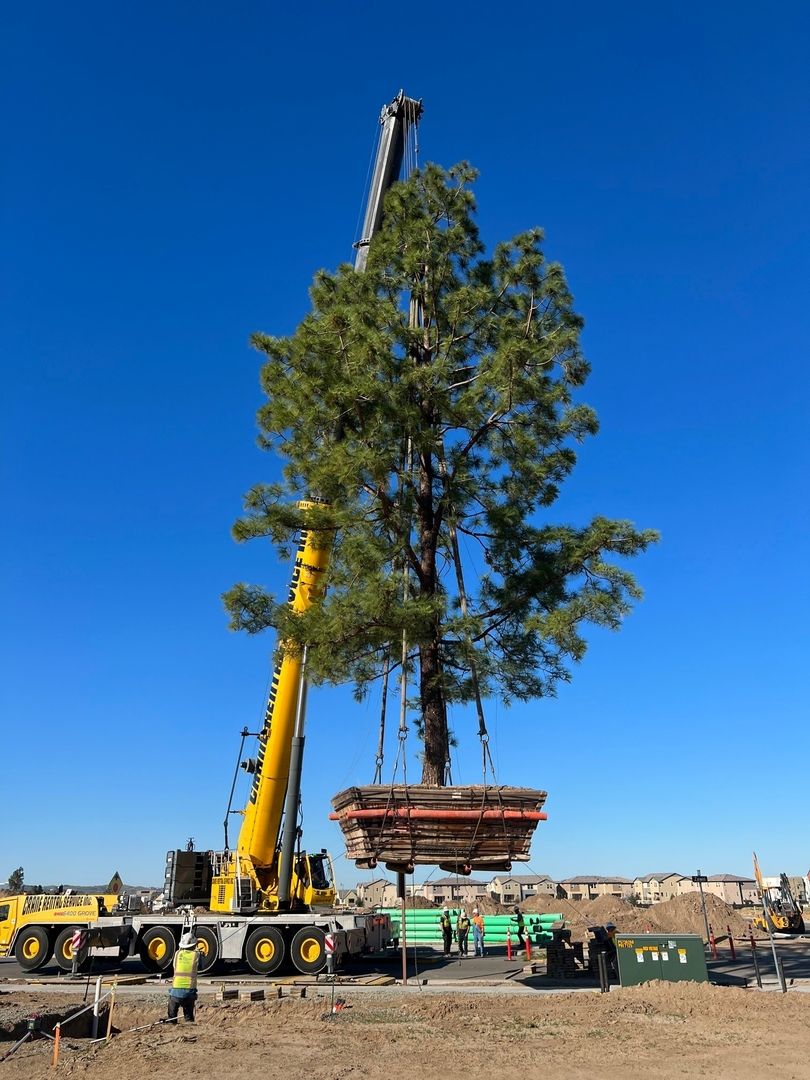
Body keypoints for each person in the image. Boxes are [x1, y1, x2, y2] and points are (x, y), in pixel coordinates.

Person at [168, 931, 200, 1024]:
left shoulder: (177, 954)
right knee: (189, 1017)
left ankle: (171, 1022)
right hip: (189, 992)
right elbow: (201, 967)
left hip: (175, 992)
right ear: (194, 945)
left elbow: (175, 966)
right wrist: (199, 954)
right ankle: (189, 1022)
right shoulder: (196, 955)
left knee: (171, 1016)